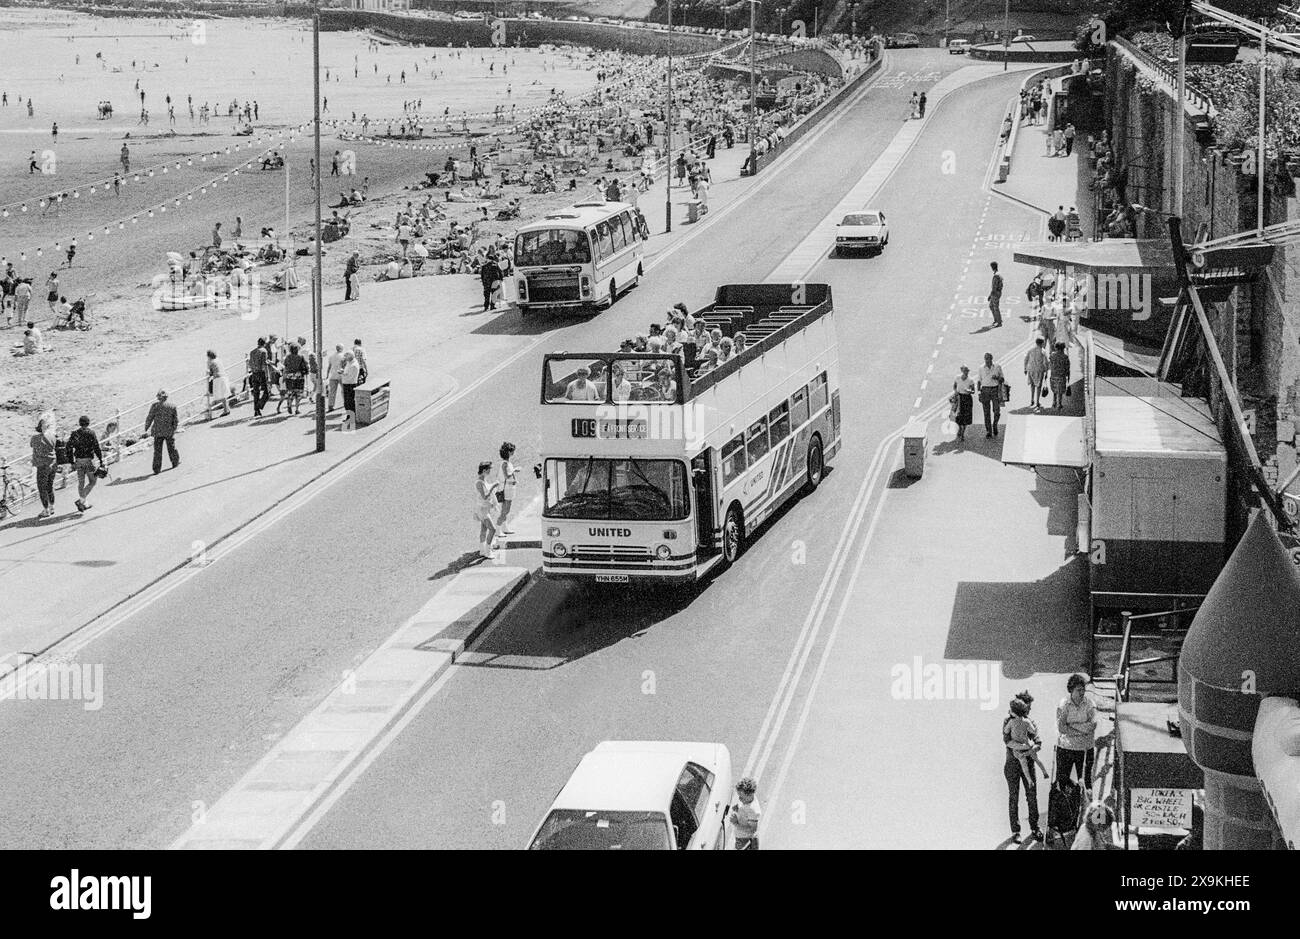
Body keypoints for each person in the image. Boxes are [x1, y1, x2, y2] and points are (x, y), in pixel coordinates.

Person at [1003, 691, 1045, 843]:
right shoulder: (1009, 720)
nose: (1030, 710)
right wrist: (1024, 747)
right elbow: (1006, 740)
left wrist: (1033, 747)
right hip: (1012, 764)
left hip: (1028, 763)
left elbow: (1038, 740)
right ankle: (1015, 831)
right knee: (1013, 797)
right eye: (1028, 707)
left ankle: (1035, 827)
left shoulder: (1030, 722)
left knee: (1031, 796)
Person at [1056, 673, 1098, 793]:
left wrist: (1072, 726)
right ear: (1071, 690)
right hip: (1066, 748)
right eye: (1078, 690)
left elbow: (1092, 726)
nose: (1082, 693)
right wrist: (1081, 730)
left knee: (1086, 783)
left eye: (1083, 690)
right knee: (1062, 783)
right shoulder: (1064, 705)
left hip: (1085, 749)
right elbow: (1061, 728)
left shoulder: (1090, 704)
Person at [67, 415, 105, 513]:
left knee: (81, 483)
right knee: (93, 481)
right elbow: (96, 447)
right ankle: (81, 501)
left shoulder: (75, 434)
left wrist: (72, 461)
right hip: (88, 461)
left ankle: (83, 502)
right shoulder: (91, 433)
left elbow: (68, 448)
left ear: (79, 423)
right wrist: (101, 459)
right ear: (88, 423)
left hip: (78, 461)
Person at [144, 389, 180, 475]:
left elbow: (150, 417)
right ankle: (175, 462)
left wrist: (146, 427)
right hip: (168, 431)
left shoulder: (155, 406)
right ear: (166, 397)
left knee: (157, 451)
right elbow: (176, 420)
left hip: (158, 431)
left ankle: (156, 469)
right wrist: (174, 429)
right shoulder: (172, 406)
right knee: (171, 448)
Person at [30, 416, 58, 518]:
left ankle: (46, 510)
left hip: (42, 466)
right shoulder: (53, 436)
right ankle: (52, 507)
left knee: (42, 488)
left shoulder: (35, 438)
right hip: (53, 463)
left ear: (40, 427)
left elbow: (31, 445)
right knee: (50, 486)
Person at [473, 461, 502, 559]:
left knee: (484, 529)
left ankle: (482, 550)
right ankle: (488, 551)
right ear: (484, 470)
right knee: (492, 529)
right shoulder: (479, 483)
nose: (490, 471)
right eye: (489, 469)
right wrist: (493, 486)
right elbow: (485, 496)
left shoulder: (484, 480)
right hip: (482, 510)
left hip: (485, 508)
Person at [977, 352, 1005, 438]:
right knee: (986, 412)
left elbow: (1002, 379)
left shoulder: (997, 366)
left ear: (991, 359)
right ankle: (989, 431)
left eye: (988, 358)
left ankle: (995, 424)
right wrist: (979, 392)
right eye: (985, 359)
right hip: (984, 390)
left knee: (997, 411)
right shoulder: (981, 368)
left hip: (995, 390)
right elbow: (979, 381)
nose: (987, 360)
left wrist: (997, 378)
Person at [731, 777, 761, 850]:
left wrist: (735, 823)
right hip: (742, 838)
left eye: (742, 797)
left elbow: (752, 830)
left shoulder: (753, 810)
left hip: (746, 841)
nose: (740, 799)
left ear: (750, 795)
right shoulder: (747, 801)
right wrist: (738, 809)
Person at [280, 343, 307, 415]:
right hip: (298, 376)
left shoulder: (287, 357)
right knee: (298, 393)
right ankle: (297, 409)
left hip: (289, 376)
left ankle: (289, 404)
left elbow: (285, 366)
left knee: (290, 392)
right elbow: (305, 366)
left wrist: (284, 376)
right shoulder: (301, 356)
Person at [497, 441, 519, 534]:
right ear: (508, 452)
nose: (513, 452)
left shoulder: (508, 463)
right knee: (506, 509)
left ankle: (504, 527)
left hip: (510, 487)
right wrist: (515, 470)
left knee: (506, 509)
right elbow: (507, 476)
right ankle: (498, 528)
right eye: (512, 451)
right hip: (507, 488)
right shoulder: (505, 464)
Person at [248, 337, 272, 416]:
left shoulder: (252, 352)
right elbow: (264, 364)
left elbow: (250, 364)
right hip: (261, 373)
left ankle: (256, 411)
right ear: (264, 343)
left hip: (254, 373)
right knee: (267, 392)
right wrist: (268, 376)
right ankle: (259, 406)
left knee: (256, 392)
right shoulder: (264, 351)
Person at [951, 366, 975, 444]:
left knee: (966, 417)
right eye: (964, 370)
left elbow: (973, 390)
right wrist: (955, 392)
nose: (966, 372)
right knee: (958, 415)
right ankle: (959, 429)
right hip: (959, 398)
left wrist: (969, 390)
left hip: (967, 398)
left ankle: (962, 433)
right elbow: (954, 386)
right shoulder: (958, 378)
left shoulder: (970, 380)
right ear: (962, 370)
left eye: (967, 371)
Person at [1025, 338, 1049, 412]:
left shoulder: (1030, 350)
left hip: (1031, 369)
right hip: (1039, 370)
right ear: (1042, 343)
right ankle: (1037, 402)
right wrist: (1046, 372)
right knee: (1038, 386)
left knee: (1032, 385)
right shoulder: (1043, 351)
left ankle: (1032, 400)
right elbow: (1046, 362)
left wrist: (1025, 369)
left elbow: (1026, 359)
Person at [339, 351, 361, 430]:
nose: (345, 358)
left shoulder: (354, 365)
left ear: (351, 356)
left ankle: (351, 419)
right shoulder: (350, 363)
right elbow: (347, 373)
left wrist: (342, 374)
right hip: (346, 384)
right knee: (347, 402)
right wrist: (343, 372)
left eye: (346, 356)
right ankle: (349, 417)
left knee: (349, 402)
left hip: (350, 385)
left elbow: (350, 377)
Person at [206, 349, 231, 417]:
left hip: (218, 378)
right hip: (224, 377)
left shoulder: (211, 362)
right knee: (223, 395)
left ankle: (226, 410)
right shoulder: (218, 360)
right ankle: (226, 409)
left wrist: (208, 366)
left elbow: (210, 373)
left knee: (221, 395)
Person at [1048, 341, 1070, 409]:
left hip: (1053, 375)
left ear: (1056, 348)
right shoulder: (1065, 357)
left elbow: (1050, 364)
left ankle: (1054, 402)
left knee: (1054, 389)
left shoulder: (1052, 355)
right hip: (1062, 376)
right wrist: (1068, 376)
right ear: (1063, 348)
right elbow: (1067, 367)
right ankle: (1059, 404)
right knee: (1060, 390)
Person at [326, 343, 345, 410]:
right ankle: (345, 402)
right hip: (341, 375)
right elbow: (344, 366)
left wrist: (327, 374)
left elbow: (329, 366)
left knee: (332, 391)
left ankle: (330, 405)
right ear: (342, 349)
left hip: (333, 375)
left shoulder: (331, 356)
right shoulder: (343, 356)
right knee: (344, 390)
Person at [987, 261, 1003, 327]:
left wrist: (990, 295)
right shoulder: (998, 274)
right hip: (998, 292)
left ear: (993, 267)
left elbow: (994, 287)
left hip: (995, 293)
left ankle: (999, 322)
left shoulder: (996, 276)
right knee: (991, 306)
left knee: (995, 307)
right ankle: (997, 319)